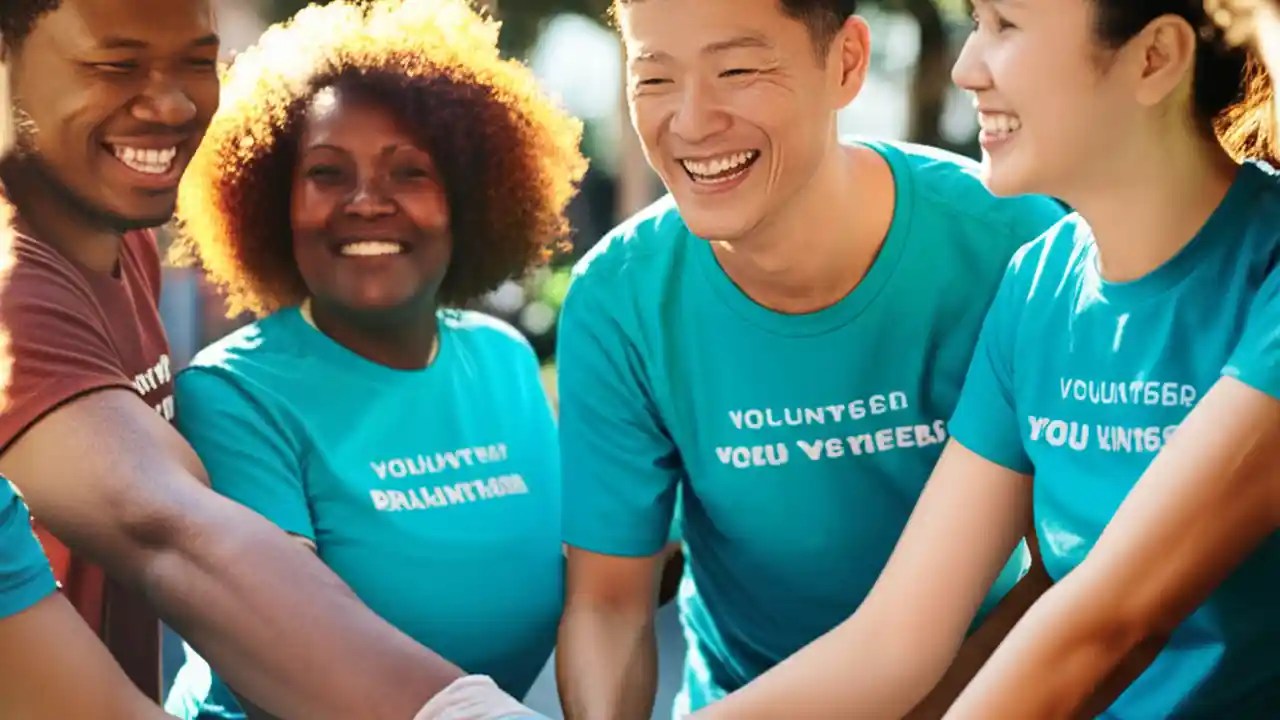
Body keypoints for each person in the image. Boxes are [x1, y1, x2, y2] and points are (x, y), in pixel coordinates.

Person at [690, 0, 1280, 717]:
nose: (968, 69)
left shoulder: (1268, 268)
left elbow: (1108, 627)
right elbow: (892, 643)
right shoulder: (1039, 285)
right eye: (974, 22)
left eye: (1006, 25)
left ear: (1154, 57)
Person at [0, 0, 543, 717]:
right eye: (115, 65)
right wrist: (463, 710)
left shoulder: (112, 230)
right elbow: (166, 530)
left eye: (198, 61)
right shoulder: (17, 289)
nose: (169, 103)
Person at [553, 0, 1068, 717]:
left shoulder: (1016, 245)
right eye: (654, 79)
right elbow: (609, 605)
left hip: (985, 695)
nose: (693, 121)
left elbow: (1062, 572)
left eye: (737, 70)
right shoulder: (620, 299)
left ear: (847, 63)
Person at [161, 0, 585, 717]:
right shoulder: (235, 394)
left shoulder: (504, 361)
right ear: (268, 201)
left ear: (472, 198)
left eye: (410, 172)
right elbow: (293, 644)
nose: (365, 202)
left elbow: (594, 571)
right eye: (327, 173)